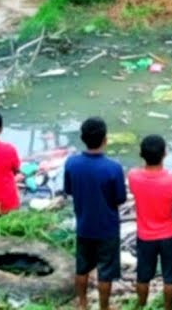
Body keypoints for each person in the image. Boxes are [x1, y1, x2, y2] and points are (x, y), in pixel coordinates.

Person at [66, 117, 127, 310]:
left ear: (82, 138)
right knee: (105, 272)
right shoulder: (113, 168)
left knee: (82, 267)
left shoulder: (72, 164)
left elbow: (69, 190)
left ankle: (82, 303)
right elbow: (120, 198)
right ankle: (104, 307)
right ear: (105, 139)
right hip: (107, 228)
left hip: (84, 225)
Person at [129, 135, 172, 310]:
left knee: (143, 276)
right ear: (165, 154)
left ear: (141, 154)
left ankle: (141, 305)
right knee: (170, 277)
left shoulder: (133, 176)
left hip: (146, 235)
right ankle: (168, 308)